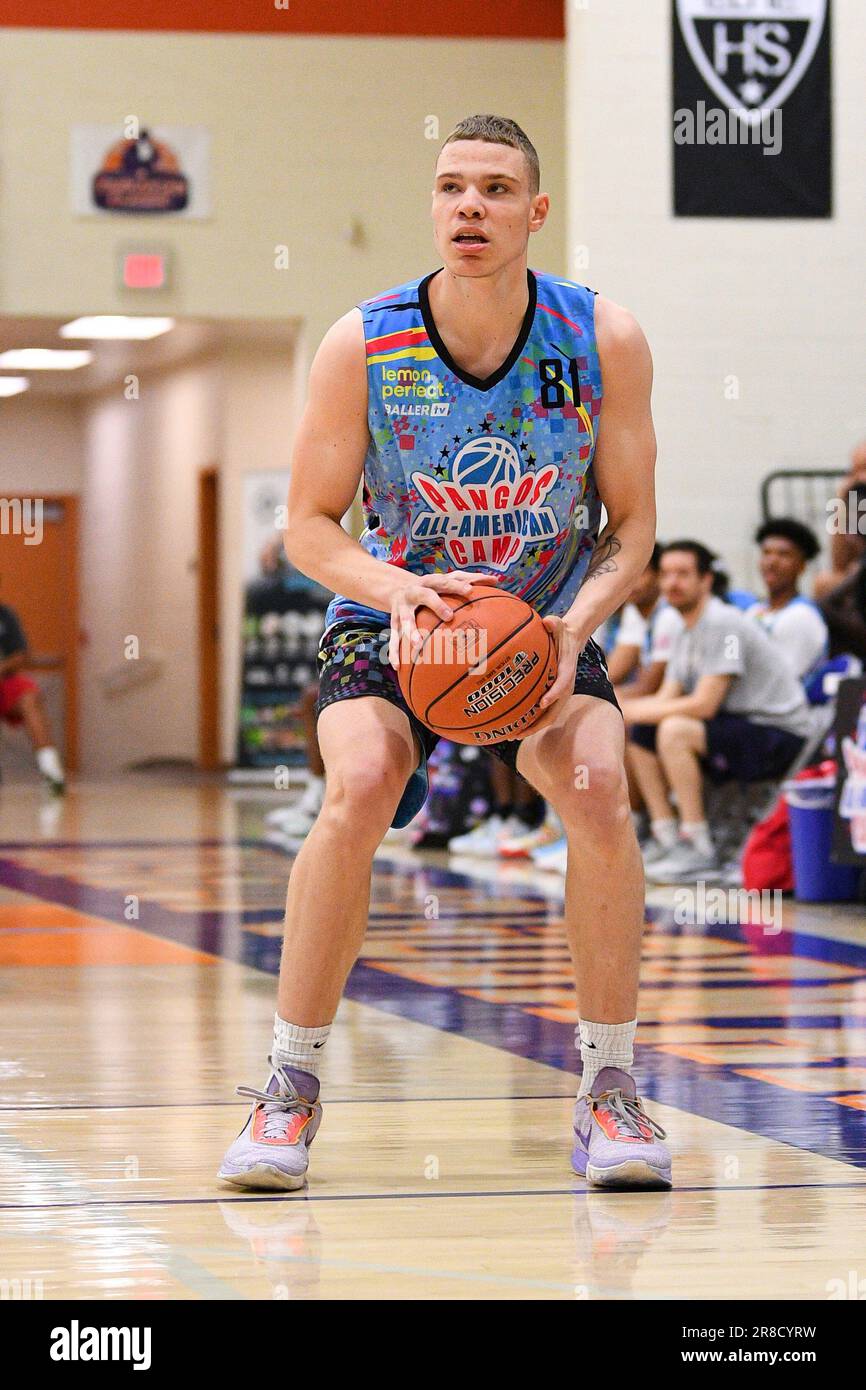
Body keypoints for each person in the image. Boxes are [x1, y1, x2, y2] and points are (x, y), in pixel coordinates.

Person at [218, 113, 671, 1193]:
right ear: (432, 206)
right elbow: (311, 524)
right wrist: (400, 589)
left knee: (600, 784)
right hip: (394, 617)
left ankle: (609, 1088)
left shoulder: (600, 336)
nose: (470, 205)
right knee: (362, 780)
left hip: (538, 624)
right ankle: (288, 1088)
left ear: (534, 212)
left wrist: (576, 621)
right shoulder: (361, 342)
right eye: (451, 186)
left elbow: (634, 529)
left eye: (496, 189)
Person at [621, 541, 813, 881]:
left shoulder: (723, 624)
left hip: (779, 733)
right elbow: (666, 697)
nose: (671, 584)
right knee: (643, 733)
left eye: (683, 574)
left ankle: (697, 845)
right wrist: (621, 710)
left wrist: (628, 709)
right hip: (739, 727)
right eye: (665, 574)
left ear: (706, 580)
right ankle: (667, 836)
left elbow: (704, 704)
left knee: (675, 730)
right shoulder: (683, 628)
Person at [747, 519, 827, 679]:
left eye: (784, 554)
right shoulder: (754, 611)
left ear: (802, 566)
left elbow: (782, 681)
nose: (772, 562)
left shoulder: (802, 616)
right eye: (766, 553)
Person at [0, 599, 65, 793]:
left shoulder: (5, 615)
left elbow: (21, 655)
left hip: (5, 679)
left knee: (29, 698)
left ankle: (51, 771)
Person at [813, 441, 866, 599]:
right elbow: (839, 564)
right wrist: (842, 500)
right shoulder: (857, 504)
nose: (862, 478)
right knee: (824, 584)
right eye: (855, 471)